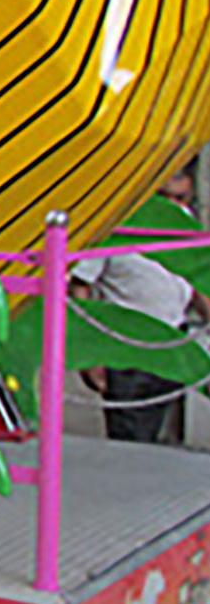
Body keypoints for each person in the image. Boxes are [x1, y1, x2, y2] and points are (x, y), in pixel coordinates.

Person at [72, 175, 209, 442]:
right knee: (132, 438)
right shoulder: (119, 232)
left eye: (181, 199)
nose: (174, 208)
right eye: (165, 199)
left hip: (173, 344)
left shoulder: (183, 233)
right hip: (128, 349)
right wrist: (89, 355)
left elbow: (196, 287)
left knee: (167, 440)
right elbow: (80, 289)